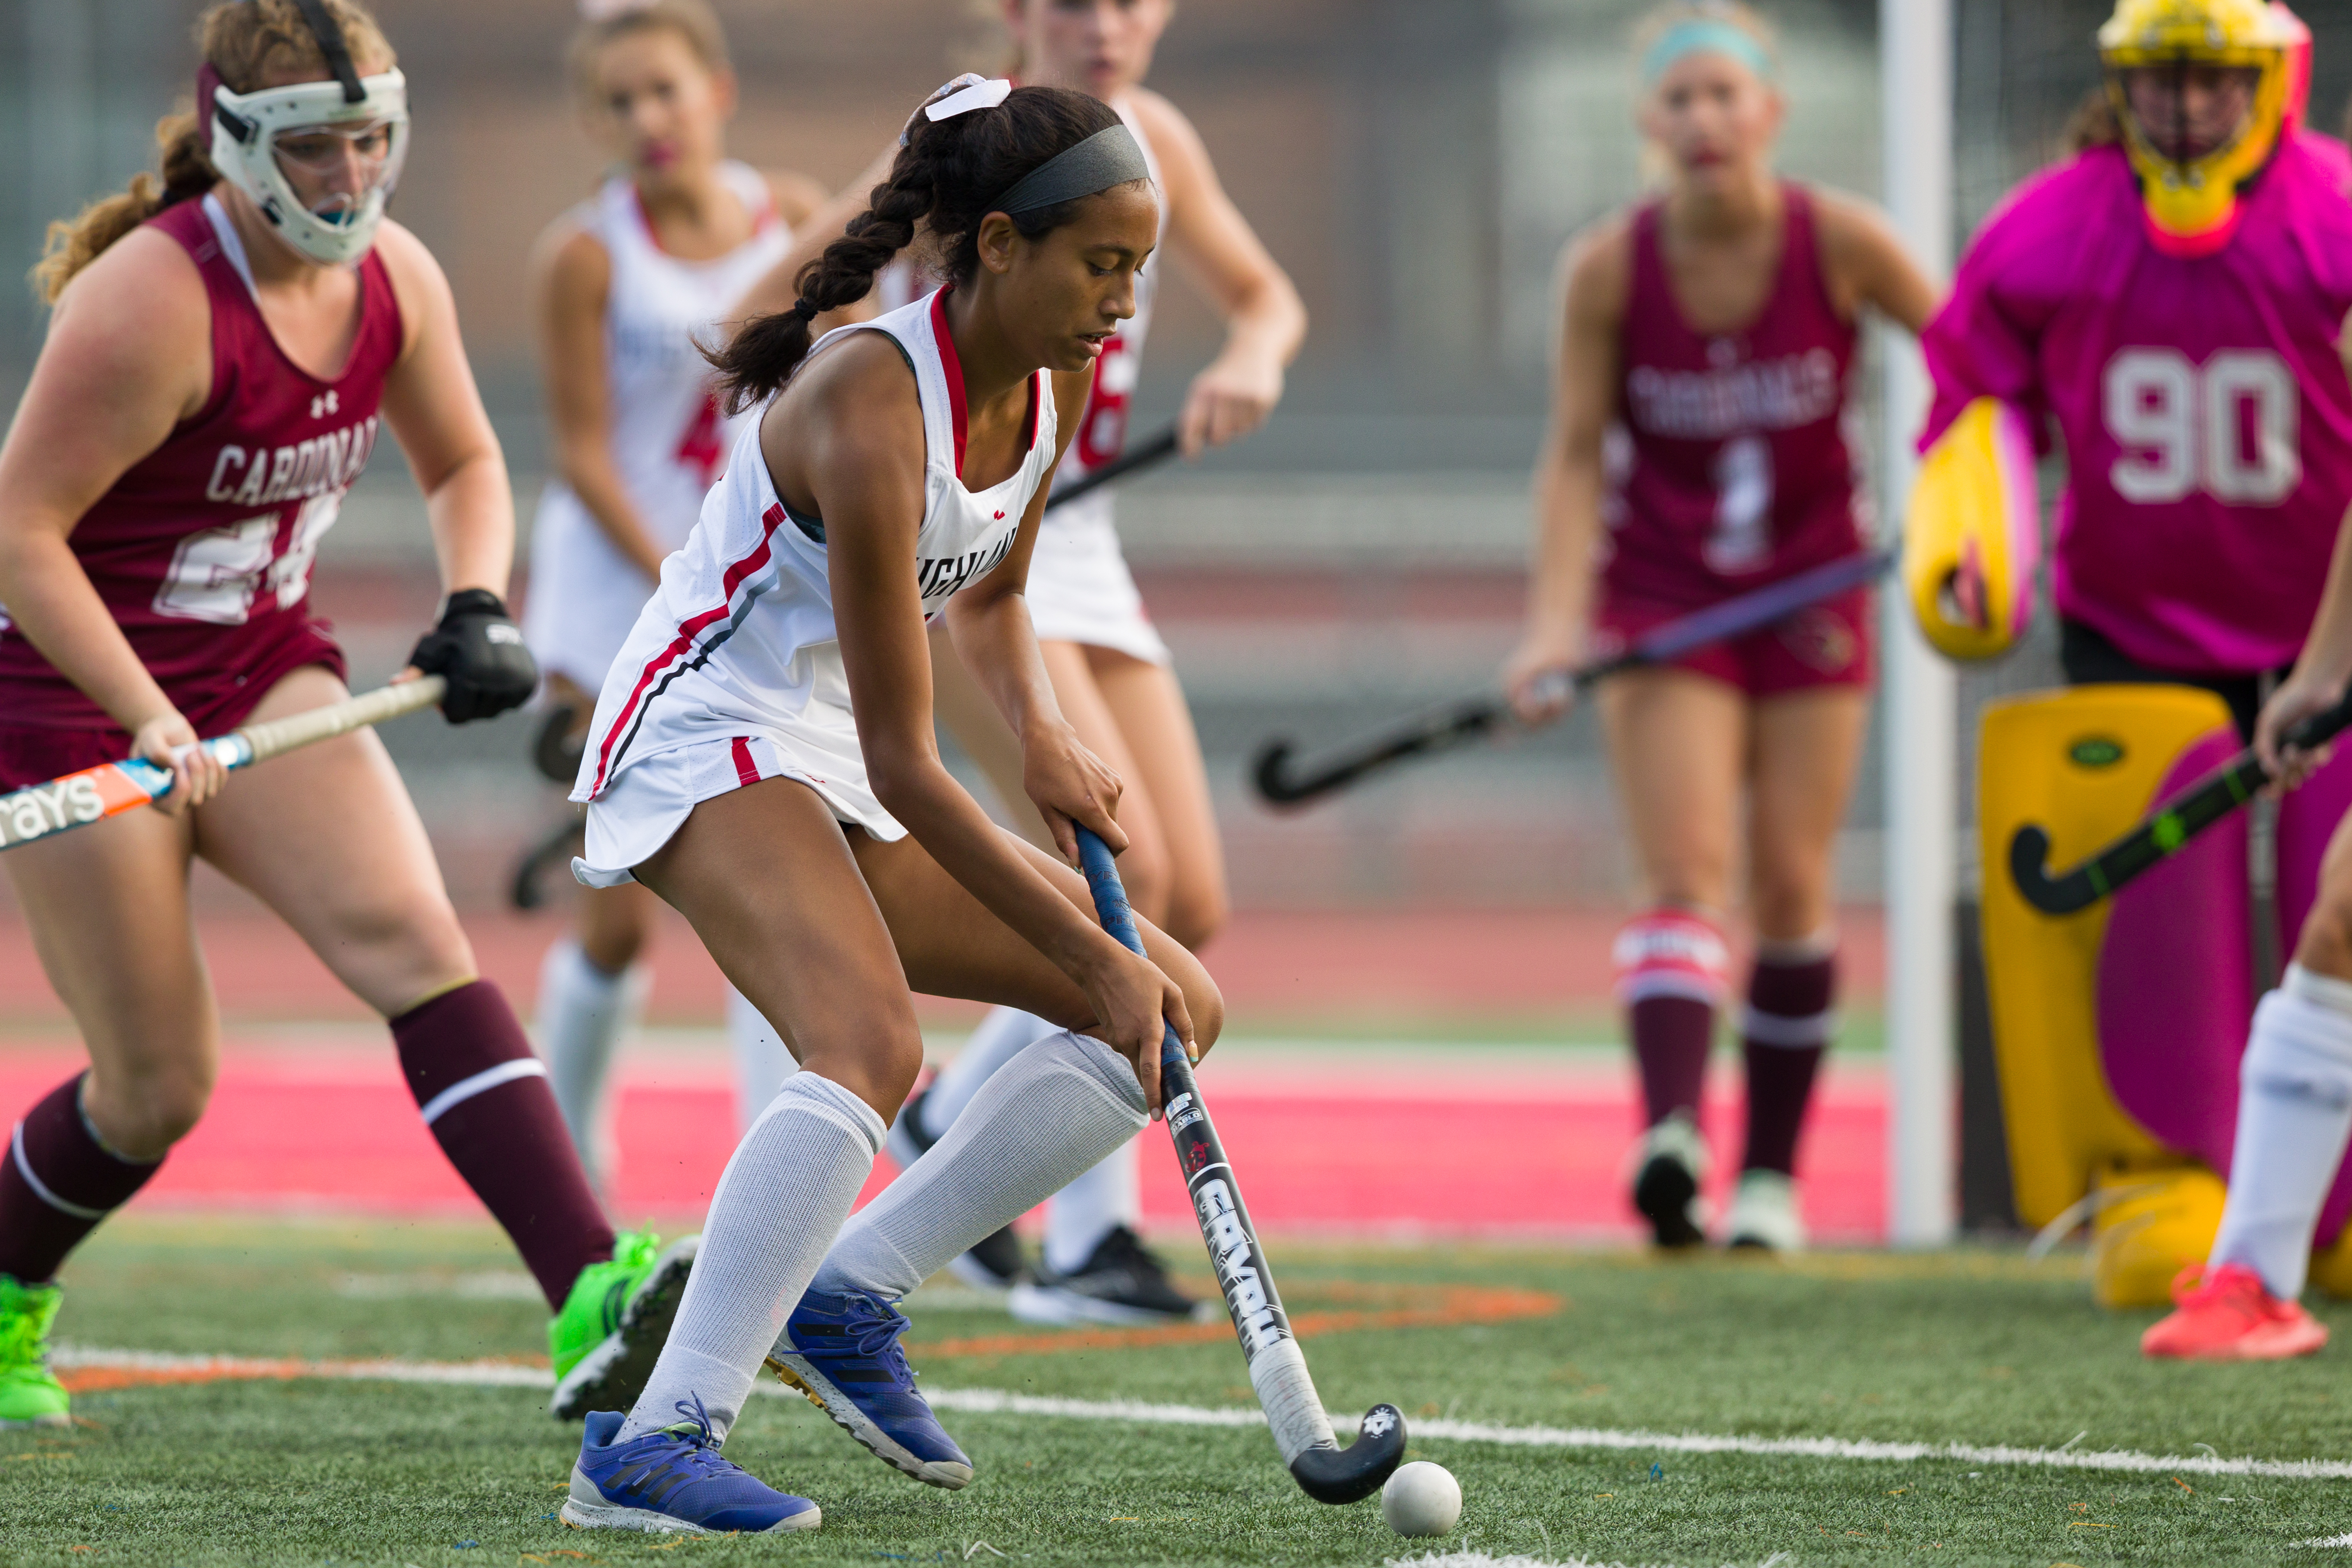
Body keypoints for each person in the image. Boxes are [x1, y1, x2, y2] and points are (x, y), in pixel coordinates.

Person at [0, 0, 689, 1431]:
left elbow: (466, 462)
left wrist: (479, 599)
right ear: (240, 145)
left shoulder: (397, 277)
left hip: (258, 664)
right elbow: (20, 534)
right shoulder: (149, 297)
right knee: (154, 1085)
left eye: (374, 140)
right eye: (317, 147)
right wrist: (139, 711)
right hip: (75, 691)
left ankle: (588, 1291)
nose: (351, 178)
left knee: (422, 948)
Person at [556, 78, 1221, 1535]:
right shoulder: (869, 402)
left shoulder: (1045, 393)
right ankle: (653, 1440)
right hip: (705, 730)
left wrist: (1042, 733)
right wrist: (1080, 942)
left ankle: (849, 1293)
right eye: (1101, 265)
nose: (1122, 302)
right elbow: (912, 757)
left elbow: (993, 605)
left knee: (1180, 1001)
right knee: (871, 1040)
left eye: (1138, 270)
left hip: (822, 749)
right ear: (997, 243)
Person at [737, 0, 1303, 1325]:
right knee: (1127, 886)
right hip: (952, 531)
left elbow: (1268, 298)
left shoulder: (1154, 140)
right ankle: (1087, 1239)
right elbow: (776, 309)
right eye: (1073, 4)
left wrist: (1254, 356)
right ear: (1013, 16)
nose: (1107, 25)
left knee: (1188, 896)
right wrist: (872, 420)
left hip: (1065, 529)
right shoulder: (964, 159)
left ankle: (970, 1130)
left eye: (1130, 1)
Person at [1909, 0, 2352, 1354]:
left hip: (2323, 616)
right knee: (2170, 914)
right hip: (2143, 626)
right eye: (2159, 78)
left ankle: (2311, 1218)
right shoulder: (2049, 228)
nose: (2185, 107)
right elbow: (1969, 389)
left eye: (2213, 78)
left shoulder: (2333, 214)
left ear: (2271, 80)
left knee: (2337, 892)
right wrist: (1969, 514)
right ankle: (2182, 1186)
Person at [1502, 0, 1937, 1252]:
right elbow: (1577, 453)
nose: (1703, 120)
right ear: (1651, 122)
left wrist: (1974, 501)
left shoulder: (1843, 242)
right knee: (1687, 871)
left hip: (1813, 591)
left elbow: (1974, 360)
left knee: (1794, 883)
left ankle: (1772, 1184)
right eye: (1678, 100)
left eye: (1723, 96)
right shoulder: (1608, 268)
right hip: (1667, 594)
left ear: (1771, 112)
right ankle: (1674, 1139)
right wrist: (1553, 624)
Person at [521, 0, 831, 1176]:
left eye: (666, 90)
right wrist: (677, 570)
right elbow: (583, 449)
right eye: (620, 100)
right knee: (617, 903)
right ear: (593, 117)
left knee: (780, 866)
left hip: (744, 584)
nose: (648, 118)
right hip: (617, 589)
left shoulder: (797, 216)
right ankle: (571, 1159)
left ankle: (781, 1182)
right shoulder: (586, 254)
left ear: (718, 91)